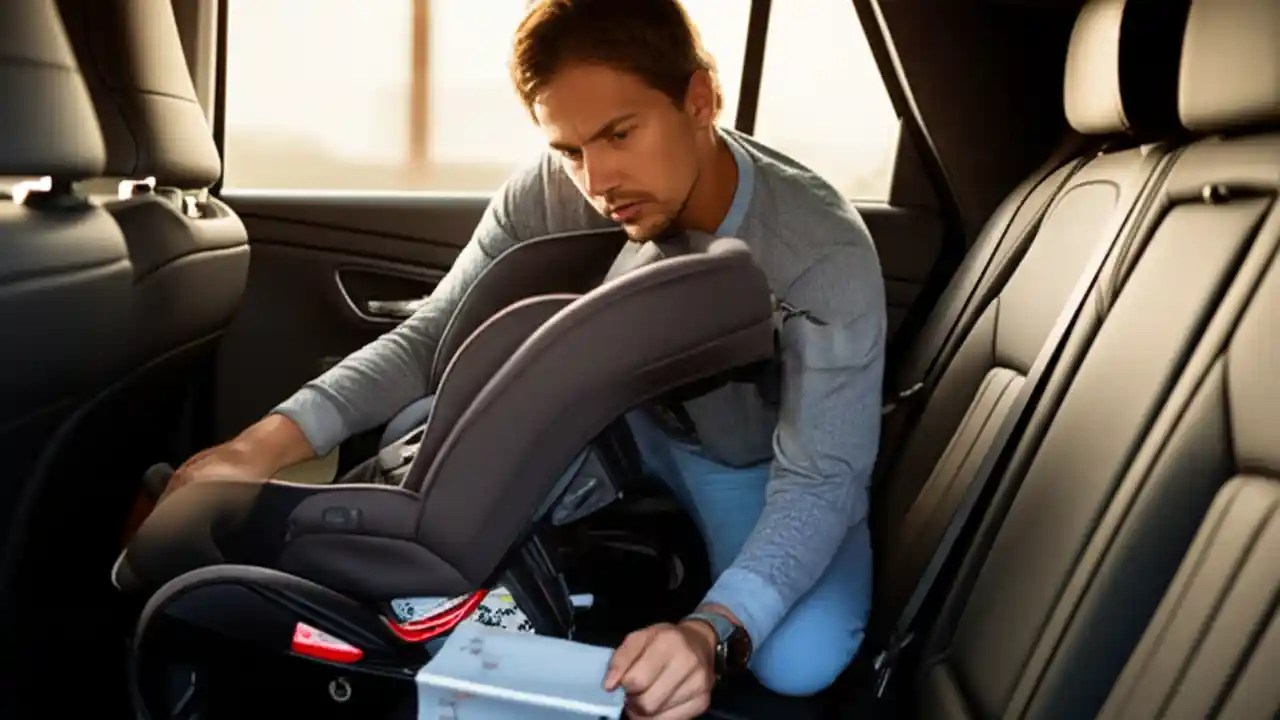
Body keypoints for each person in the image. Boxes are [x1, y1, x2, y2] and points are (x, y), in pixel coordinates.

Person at [161, 1, 885, 716]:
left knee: (799, 658)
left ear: (701, 99)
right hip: (614, 416)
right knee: (417, 457)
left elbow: (823, 475)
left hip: (752, 459)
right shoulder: (557, 188)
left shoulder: (819, 251)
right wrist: (260, 446)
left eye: (620, 134)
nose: (596, 183)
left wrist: (712, 632)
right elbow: (430, 340)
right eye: (570, 151)